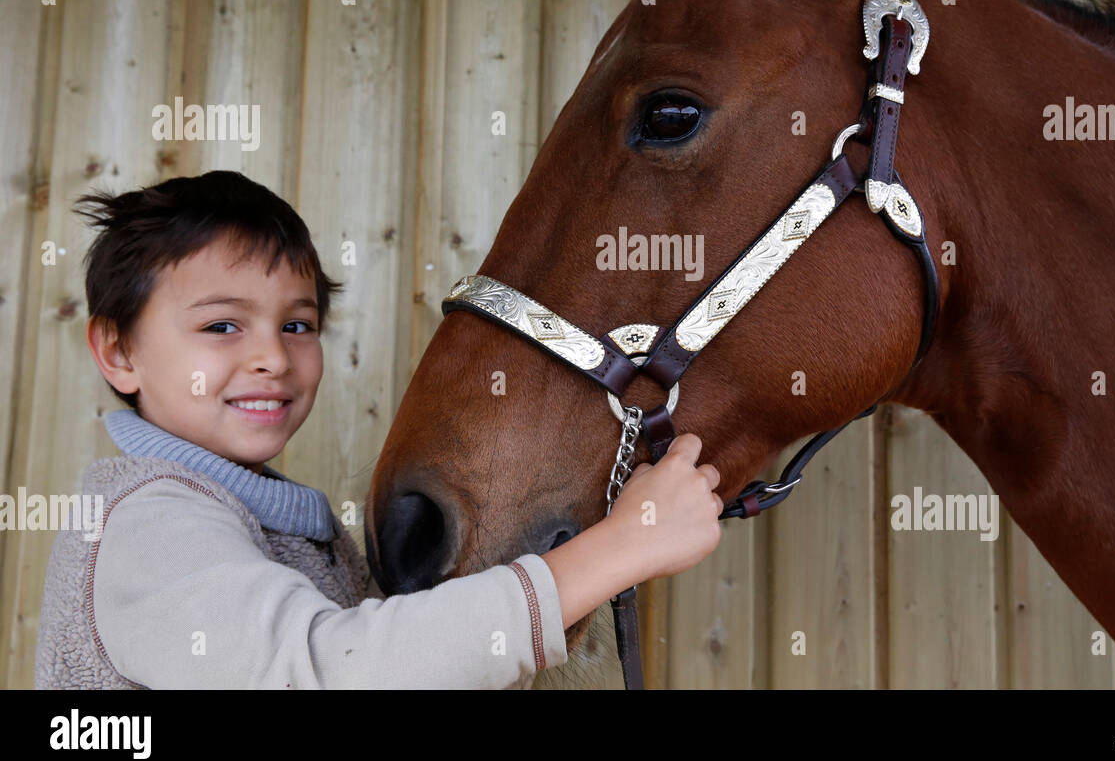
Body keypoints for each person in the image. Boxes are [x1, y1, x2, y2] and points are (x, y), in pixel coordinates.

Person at [33, 170, 721, 688]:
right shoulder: (148, 522)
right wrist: (620, 550)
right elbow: (334, 672)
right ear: (118, 351)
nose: (273, 356)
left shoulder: (273, 521)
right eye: (222, 326)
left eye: (297, 325)